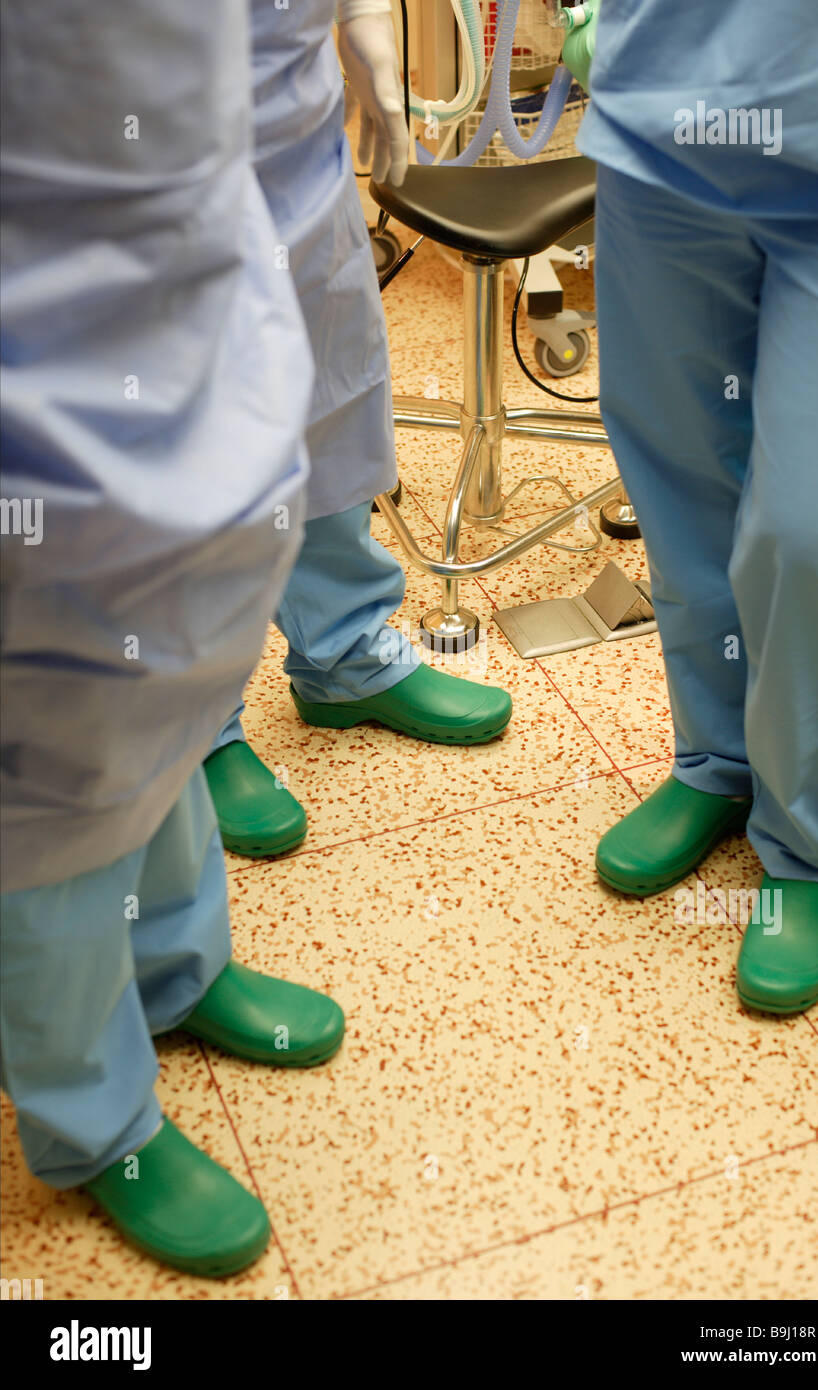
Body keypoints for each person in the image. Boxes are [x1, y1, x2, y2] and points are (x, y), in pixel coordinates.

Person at [0, 0, 358, 1276]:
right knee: (47, 725)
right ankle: (94, 1114)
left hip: (169, 203)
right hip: (29, 264)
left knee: (158, 652)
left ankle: (175, 964)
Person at [565, 0, 818, 1014]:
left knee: (810, 530)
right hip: (661, 130)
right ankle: (716, 758)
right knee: (679, 476)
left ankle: (804, 831)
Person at [202, 0, 513, 861]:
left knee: (332, 391)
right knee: (195, 438)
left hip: (298, 135)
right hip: (147, 153)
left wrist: (365, 20)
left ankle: (344, 654)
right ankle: (192, 727)